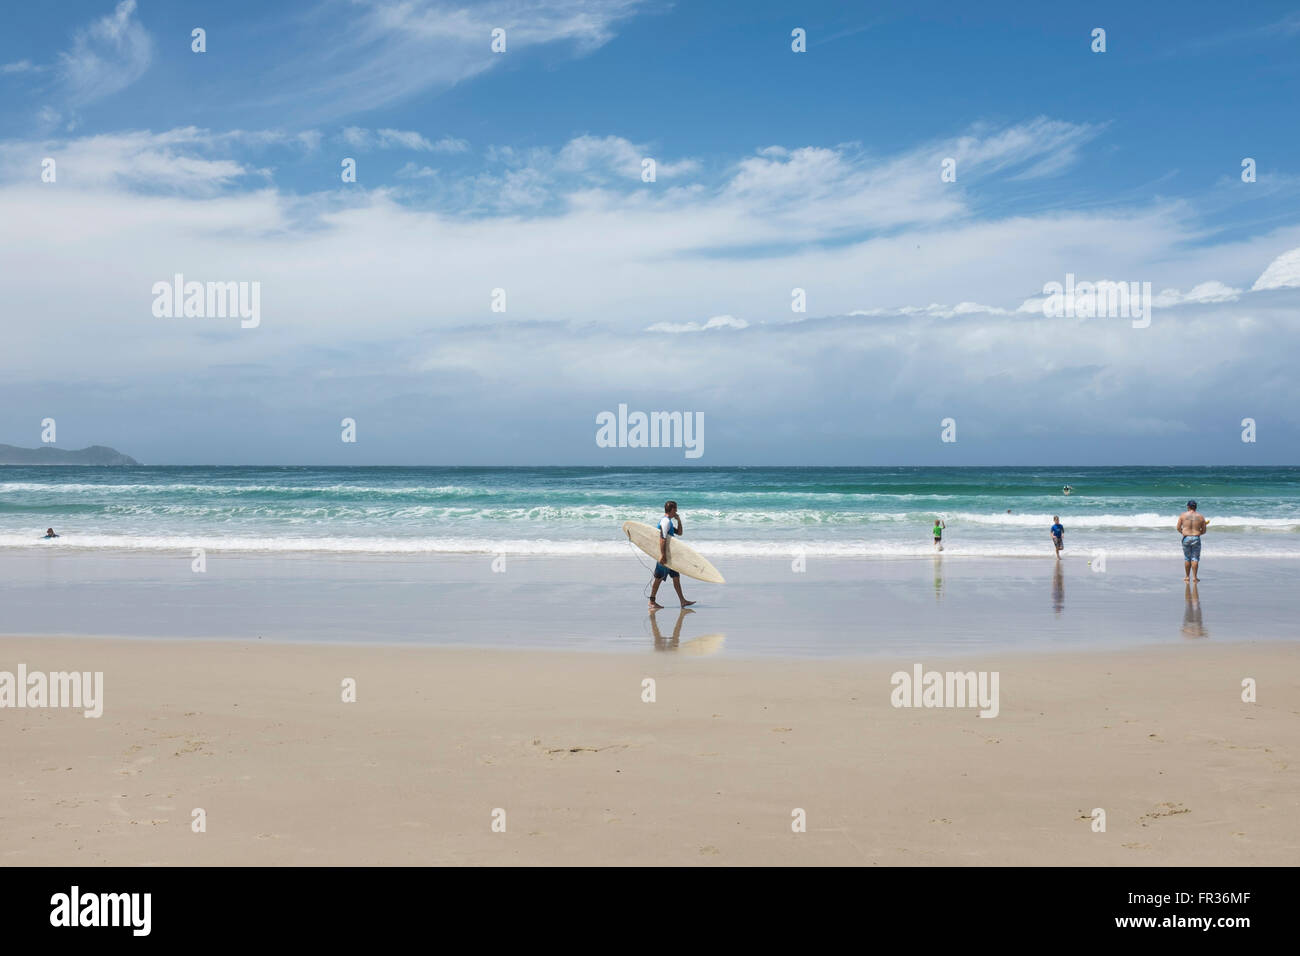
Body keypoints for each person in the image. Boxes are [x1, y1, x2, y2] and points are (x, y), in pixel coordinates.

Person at [649, 500, 696, 610]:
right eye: (676, 509)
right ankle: (651, 601)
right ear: (672, 509)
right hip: (665, 556)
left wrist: (678, 520)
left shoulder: (669, 521)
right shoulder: (665, 522)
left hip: (671, 556)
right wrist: (663, 555)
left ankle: (682, 601)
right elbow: (662, 539)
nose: (677, 511)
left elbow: (679, 533)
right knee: (658, 578)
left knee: (676, 577)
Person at [1176, 500, 1209, 582]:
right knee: (1195, 558)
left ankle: (1187, 577)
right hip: (1196, 538)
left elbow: (1178, 527)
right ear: (1196, 507)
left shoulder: (1183, 515)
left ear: (1188, 507)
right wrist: (1197, 533)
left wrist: (1183, 532)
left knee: (1187, 558)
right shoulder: (1201, 517)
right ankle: (1195, 577)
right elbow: (1204, 531)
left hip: (1186, 538)